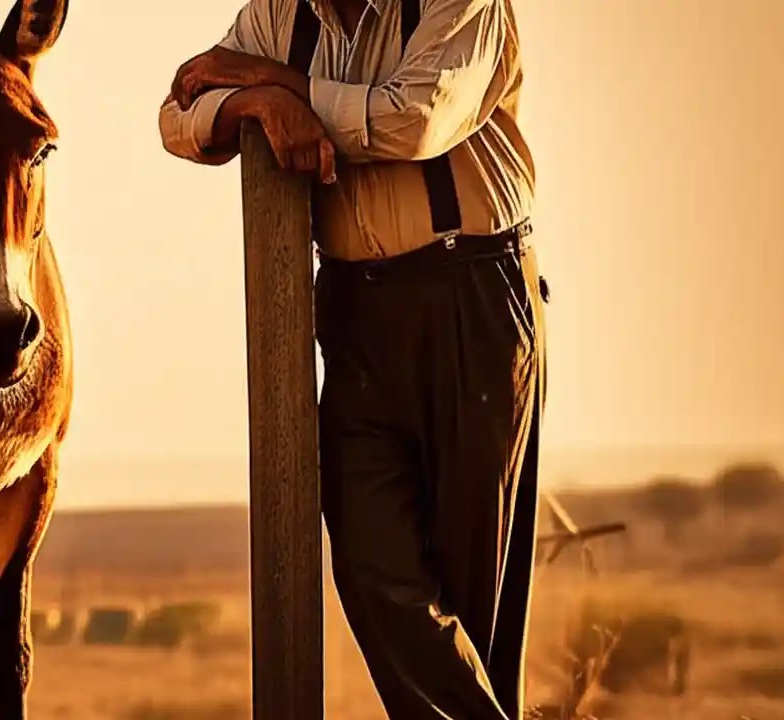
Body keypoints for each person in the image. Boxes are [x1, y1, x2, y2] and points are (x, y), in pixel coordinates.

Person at [157, 0, 546, 717]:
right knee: (372, 570)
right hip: (354, 311)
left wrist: (280, 84)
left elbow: (414, 121)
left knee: (474, 600)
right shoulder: (280, 14)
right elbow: (179, 113)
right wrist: (252, 102)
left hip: (472, 299)